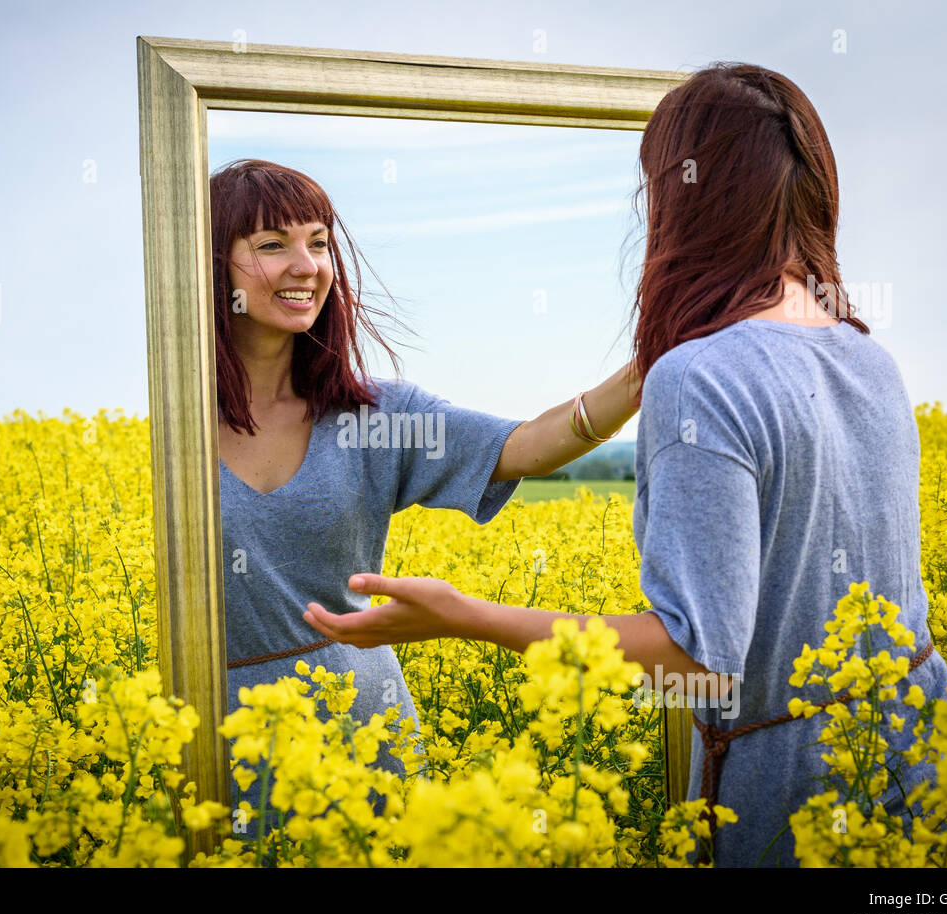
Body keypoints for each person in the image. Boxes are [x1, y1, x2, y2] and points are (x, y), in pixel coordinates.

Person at [302, 63, 947, 867]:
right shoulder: (865, 355)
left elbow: (695, 663)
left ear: (685, 197)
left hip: (802, 799)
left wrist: (460, 614)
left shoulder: (701, 377)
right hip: (935, 768)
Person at [210, 159, 642, 829]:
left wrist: (646, 368)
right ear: (215, 267)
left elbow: (522, 444)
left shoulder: (375, 415)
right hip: (222, 748)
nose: (307, 265)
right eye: (272, 245)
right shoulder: (176, 427)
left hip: (369, 733)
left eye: (319, 242)